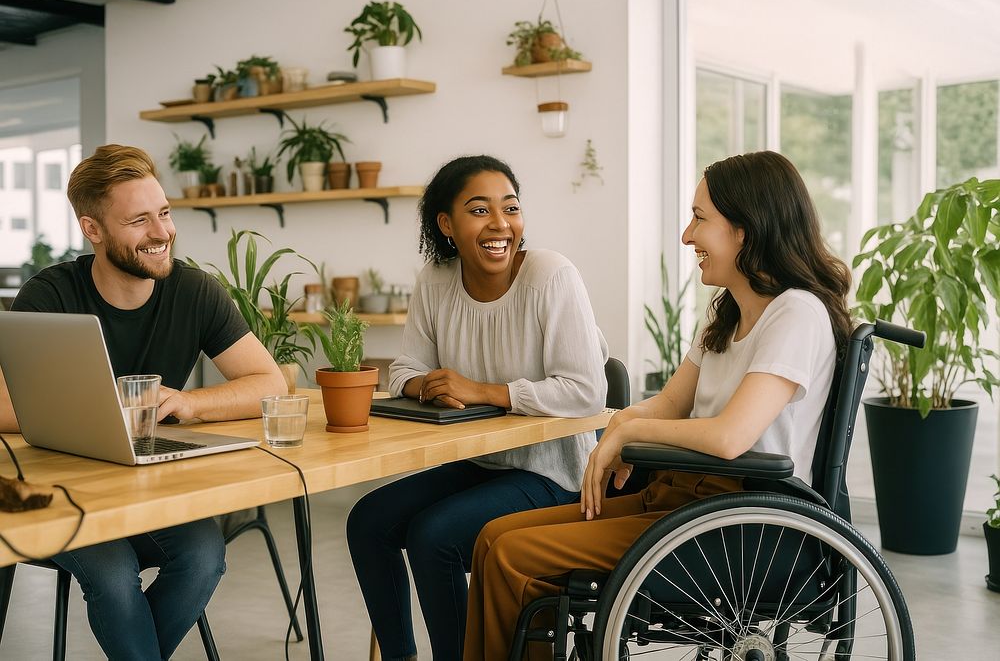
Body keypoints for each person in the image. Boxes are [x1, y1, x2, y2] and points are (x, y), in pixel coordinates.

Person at [463, 150, 854, 660]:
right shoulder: (732, 311)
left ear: (745, 229)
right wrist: (622, 422)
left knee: (514, 556)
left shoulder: (795, 314)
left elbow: (730, 437)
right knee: (491, 537)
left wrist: (627, 437)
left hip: (739, 527)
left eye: (700, 218)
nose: (687, 236)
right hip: (684, 503)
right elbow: (670, 403)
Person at [0, 144, 286, 660]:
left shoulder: (196, 292)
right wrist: (100, 408)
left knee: (203, 554)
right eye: (139, 220)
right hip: (64, 493)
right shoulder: (50, 295)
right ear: (93, 231)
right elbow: (1, 404)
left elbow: (269, 382)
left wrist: (189, 403)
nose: (162, 233)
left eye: (165, 213)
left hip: (148, 493)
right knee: (112, 573)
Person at [347, 155, 609, 661]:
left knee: (434, 537)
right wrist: (428, 385)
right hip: (479, 463)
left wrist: (484, 390)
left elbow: (585, 391)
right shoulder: (436, 280)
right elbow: (402, 370)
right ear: (447, 225)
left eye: (510, 208)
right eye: (479, 210)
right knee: (367, 521)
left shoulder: (550, 276)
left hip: (554, 474)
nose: (500, 225)